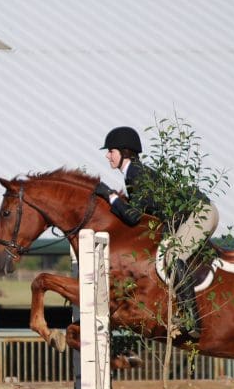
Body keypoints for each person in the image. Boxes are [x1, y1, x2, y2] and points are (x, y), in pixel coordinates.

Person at [93, 126, 219, 338]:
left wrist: (111, 196)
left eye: (111, 151)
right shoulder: (133, 174)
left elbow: (133, 216)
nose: (107, 155)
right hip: (188, 216)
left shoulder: (137, 173)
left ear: (124, 152)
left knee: (173, 256)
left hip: (201, 213)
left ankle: (191, 320)